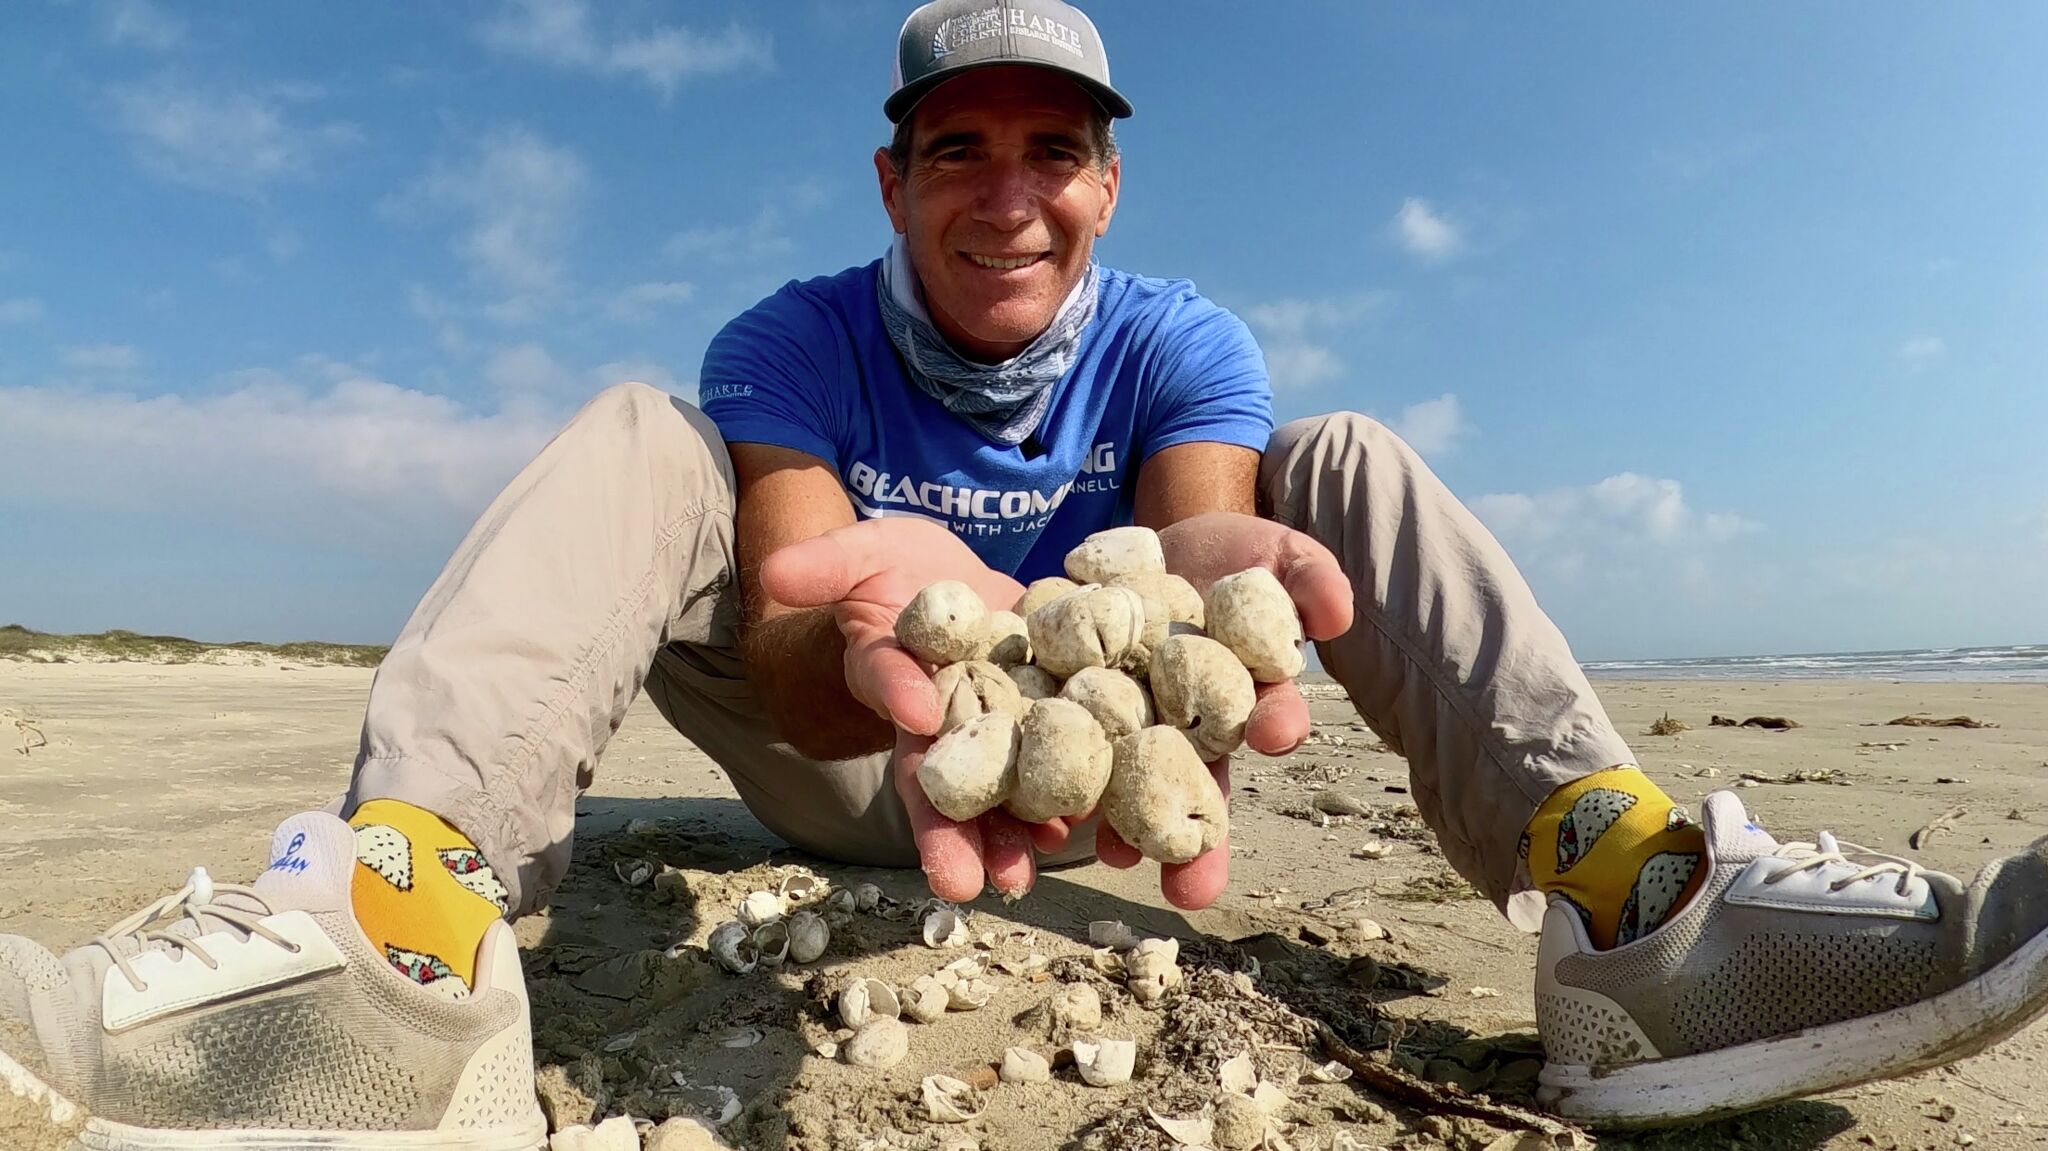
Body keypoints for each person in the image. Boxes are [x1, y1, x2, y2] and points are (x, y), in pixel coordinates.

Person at [6, 1, 2047, 1145]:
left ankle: (1636, 907)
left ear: (1108, 181)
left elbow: (1192, 562)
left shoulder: (1180, 341)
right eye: (958, 151)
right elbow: (790, 635)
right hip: (841, 734)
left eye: (1051, 150)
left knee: (1343, 458)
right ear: (892, 178)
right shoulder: (792, 343)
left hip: (1074, 776)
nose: (1008, 197)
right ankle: (407, 932)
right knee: (640, 435)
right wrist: (865, 632)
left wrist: (1191, 615)